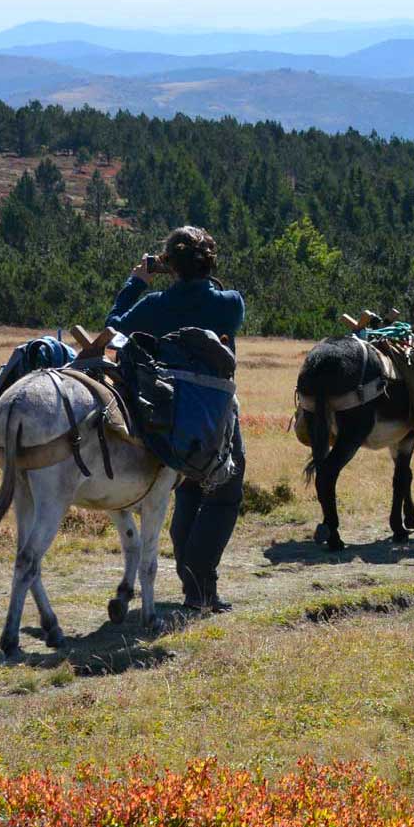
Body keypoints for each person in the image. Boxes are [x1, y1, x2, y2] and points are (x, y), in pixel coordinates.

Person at [106, 225, 245, 612]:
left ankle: (193, 583)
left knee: (184, 492)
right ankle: (201, 587)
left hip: (166, 416)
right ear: (210, 262)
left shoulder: (153, 306)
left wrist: (137, 282)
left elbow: (114, 326)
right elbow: (217, 303)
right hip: (215, 416)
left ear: (169, 263)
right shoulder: (231, 303)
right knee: (224, 494)